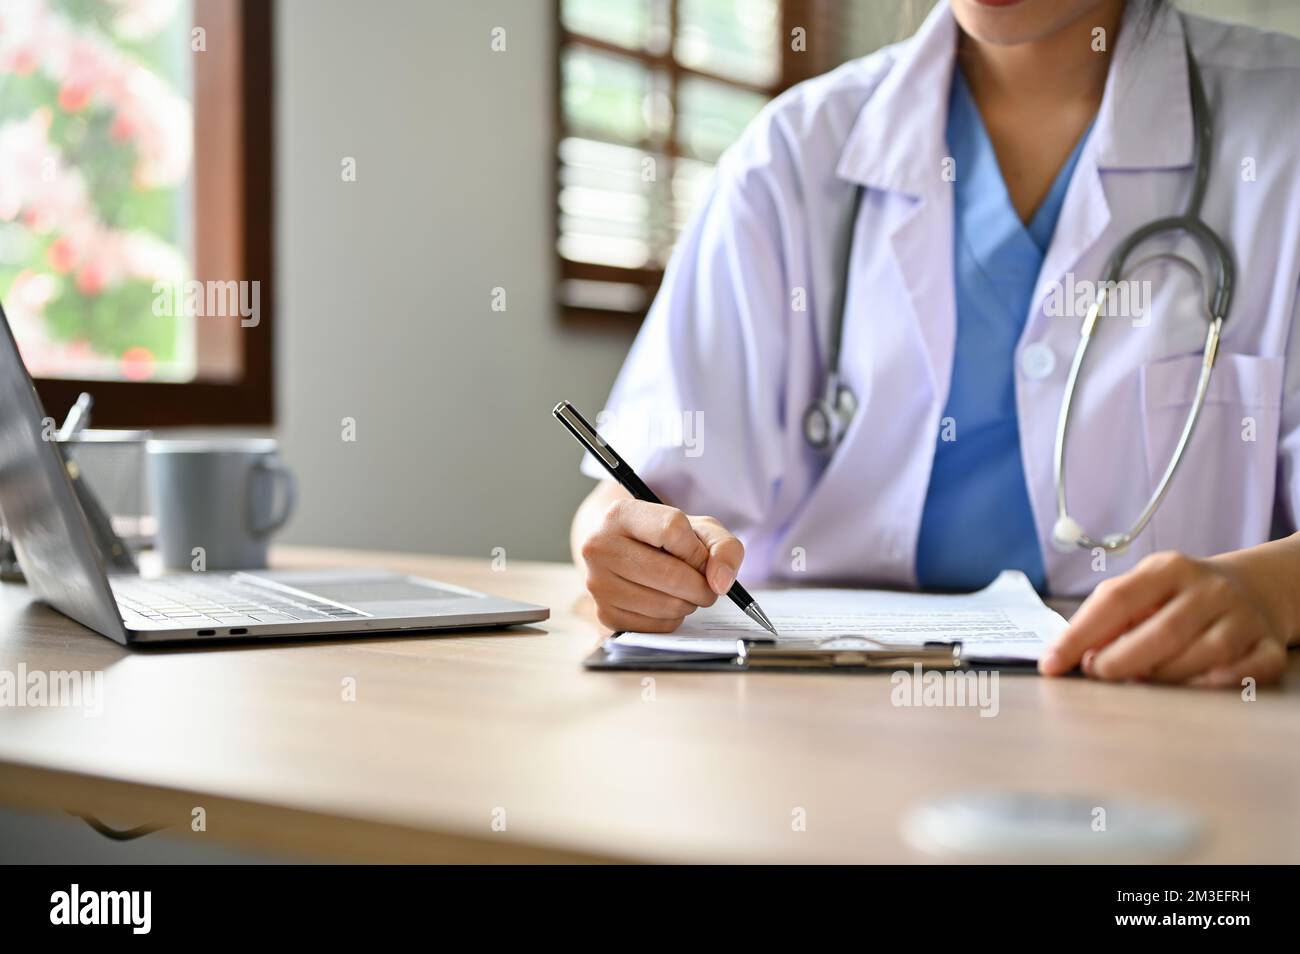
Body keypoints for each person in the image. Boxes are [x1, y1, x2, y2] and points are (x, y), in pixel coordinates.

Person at [570, 0, 1300, 687]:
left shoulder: (1282, 126)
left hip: (1158, 708)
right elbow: (645, 494)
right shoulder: (792, 154)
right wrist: (621, 548)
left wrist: (1267, 592)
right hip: (811, 703)